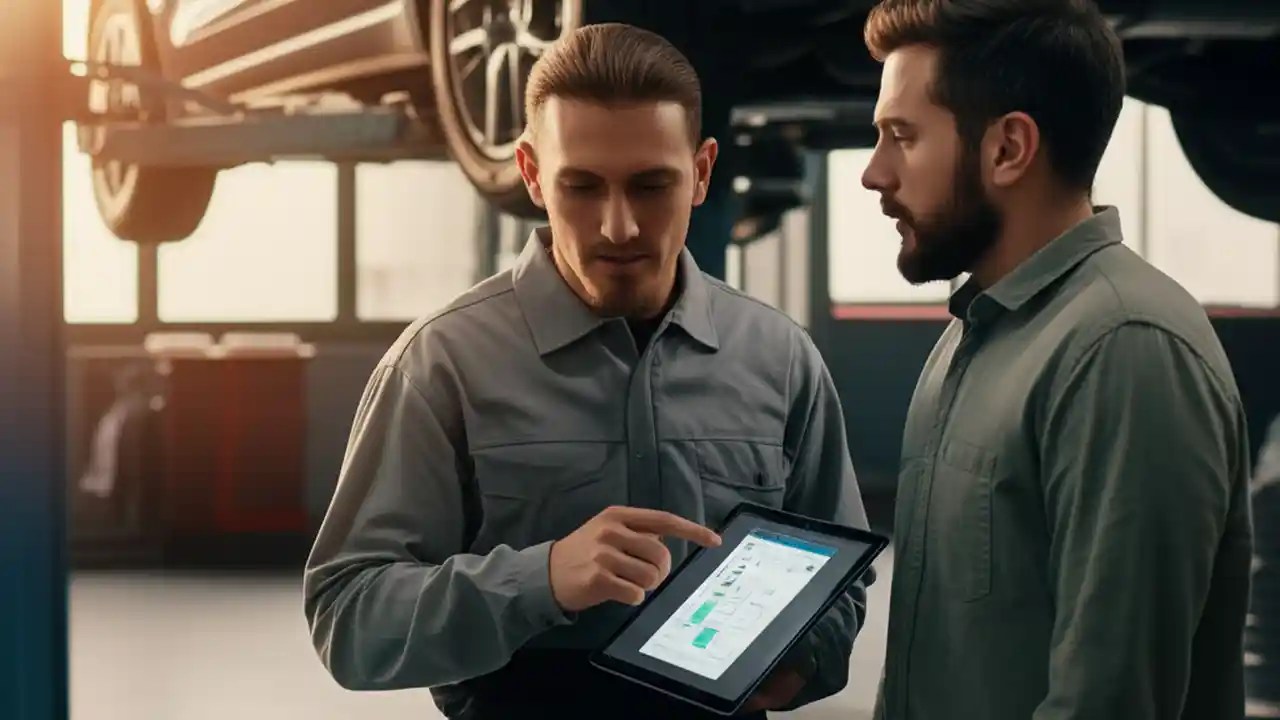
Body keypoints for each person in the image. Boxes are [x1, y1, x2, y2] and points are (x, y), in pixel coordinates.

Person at [303, 22, 872, 720]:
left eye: (650, 185)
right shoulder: (440, 364)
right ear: (534, 174)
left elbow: (840, 585)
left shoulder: (782, 359)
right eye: (582, 186)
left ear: (701, 173)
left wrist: (802, 665)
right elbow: (349, 619)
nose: (619, 228)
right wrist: (541, 578)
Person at [858, 1, 1254, 718]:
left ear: (1008, 148)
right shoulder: (971, 334)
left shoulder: (1125, 349)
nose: (874, 173)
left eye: (901, 137)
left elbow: (1109, 700)